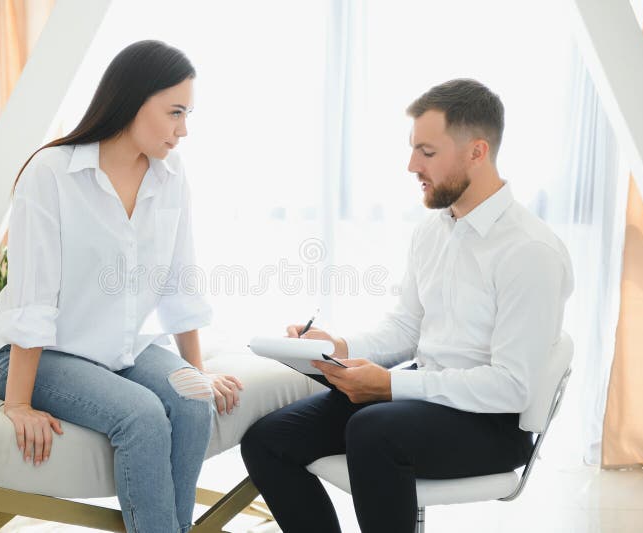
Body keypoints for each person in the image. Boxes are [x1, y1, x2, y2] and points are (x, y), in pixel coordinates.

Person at [240, 79, 573, 533]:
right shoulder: (434, 230)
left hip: (492, 423)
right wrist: (336, 345)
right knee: (268, 440)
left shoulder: (529, 252)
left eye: (427, 152)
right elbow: (406, 328)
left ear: (477, 152)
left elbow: (512, 388)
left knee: (373, 430)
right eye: (414, 149)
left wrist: (391, 388)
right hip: (426, 394)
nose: (412, 165)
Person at [0, 40, 243, 533]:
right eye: (175, 112)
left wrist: (198, 370)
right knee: (142, 417)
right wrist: (17, 403)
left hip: (114, 350)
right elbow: (32, 298)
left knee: (191, 398)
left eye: (188, 114)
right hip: (33, 355)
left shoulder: (170, 175)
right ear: (134, 99)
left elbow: (178, 281)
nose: (183, 130)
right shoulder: (52, 174)